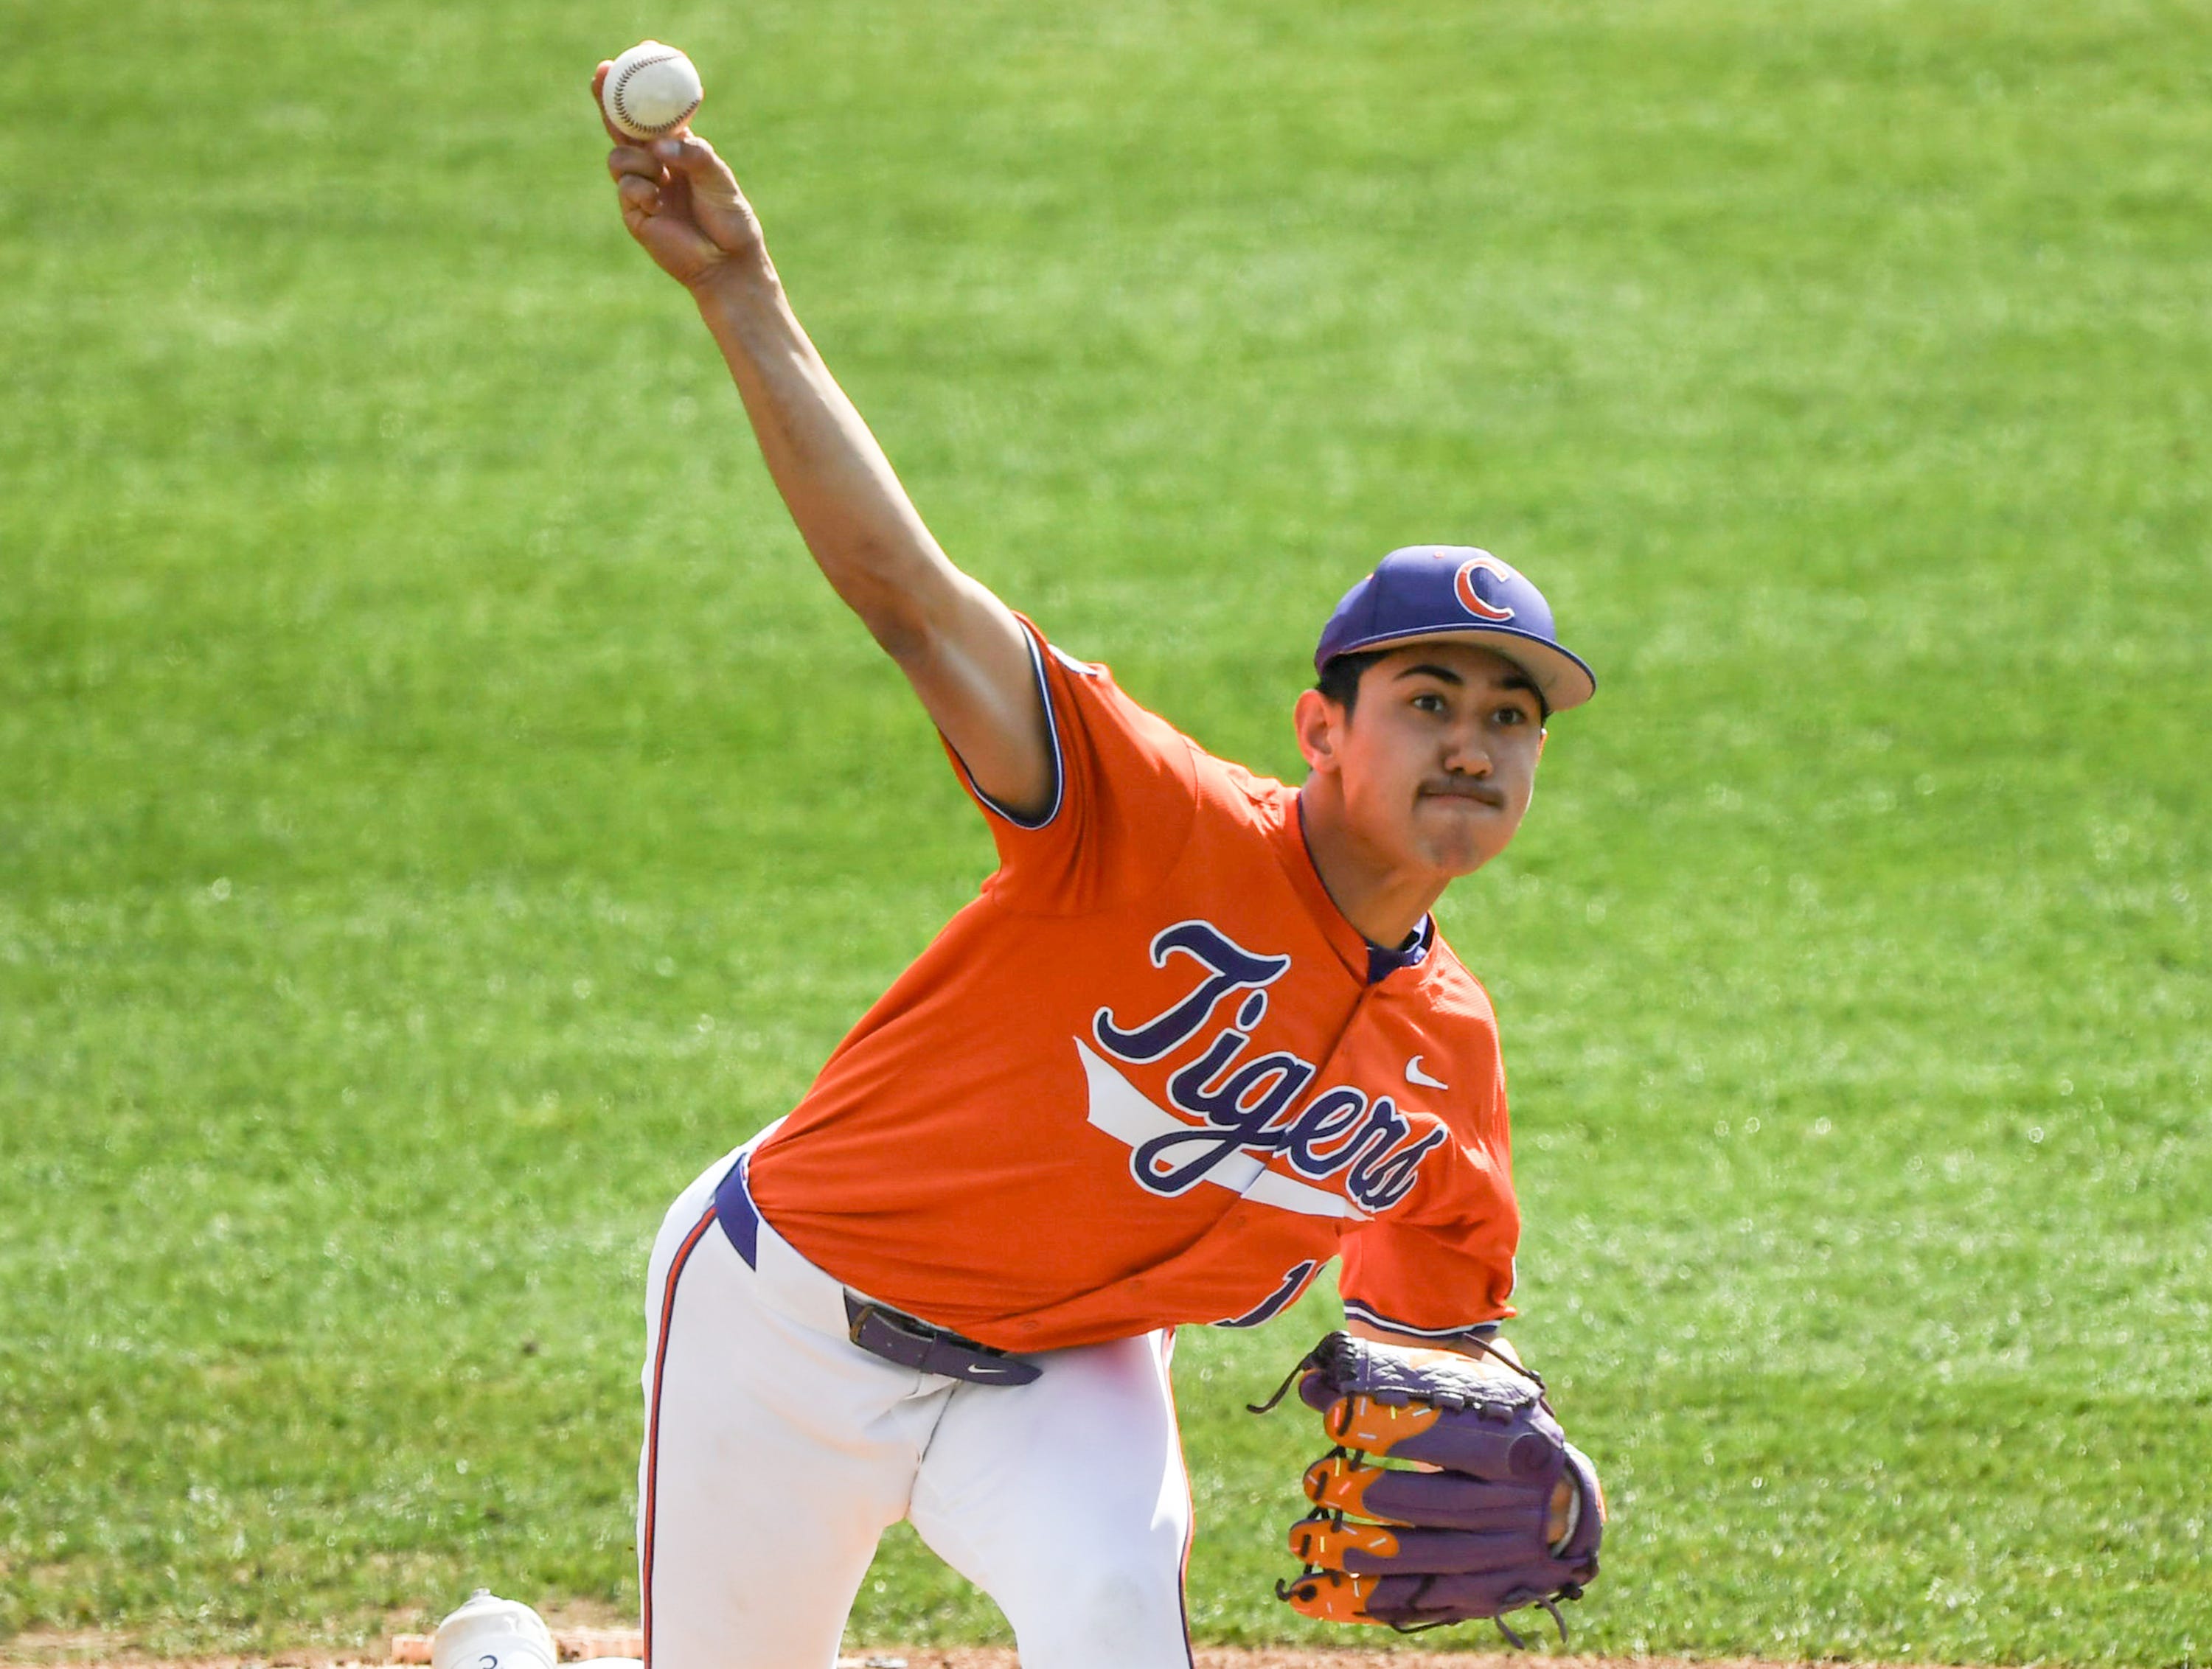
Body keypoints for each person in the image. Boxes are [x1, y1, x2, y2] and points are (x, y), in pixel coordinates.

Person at [594, 64, 1600, 1669]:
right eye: (1427, 702)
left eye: (1509, 715)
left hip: (1068, 1374)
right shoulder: (1148, 815)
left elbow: (1441, 1306)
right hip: (779, 1323)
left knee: (1121, 1620)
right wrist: (741, 290)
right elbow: (912, 600)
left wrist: (1477, 1407)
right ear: (1321, 730)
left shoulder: (1448, 1054)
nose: (1473, 743)